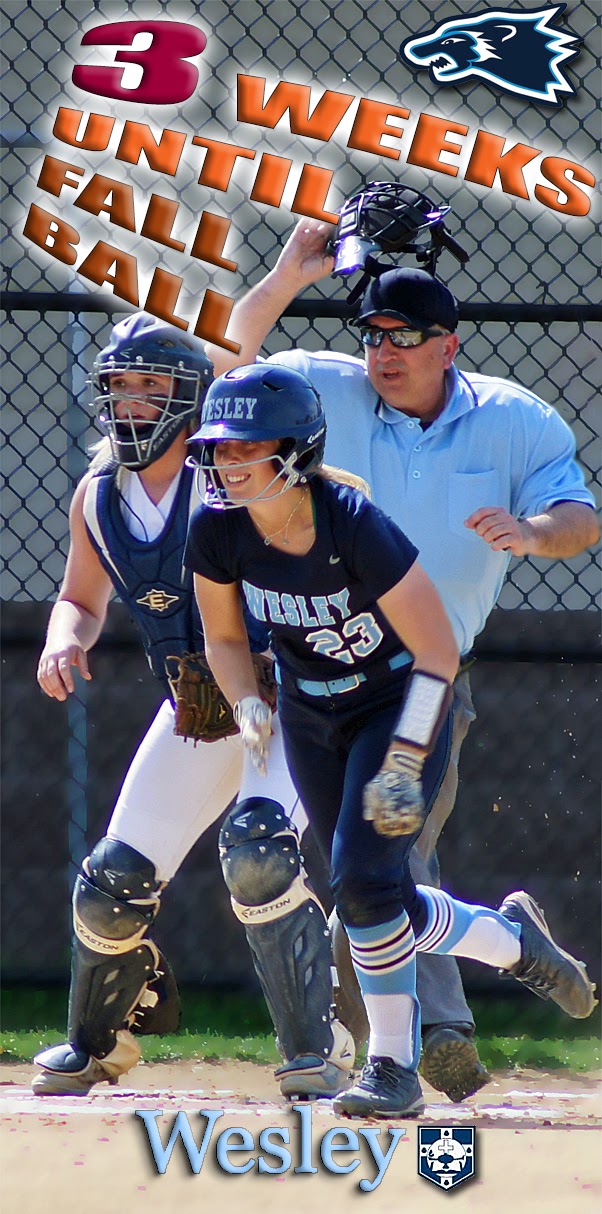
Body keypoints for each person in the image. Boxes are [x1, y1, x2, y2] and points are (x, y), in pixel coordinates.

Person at [205, 217, 599, 1102]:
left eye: (406, 338)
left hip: (422, 679)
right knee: (369, 877)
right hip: (311, 685)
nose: (383, 353)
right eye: (374, 336)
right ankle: (505, 946)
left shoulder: (511, 420)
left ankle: (417, 1045)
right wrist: (284, 278)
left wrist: (532, 532)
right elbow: (227, 384)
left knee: (375, 869)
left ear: (448, 346)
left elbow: (580, 516)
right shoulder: (323, 397)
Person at [32, 312, 354, 1100]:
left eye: (152, 386)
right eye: (120, 387)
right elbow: (80, 597)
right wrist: (63, 639)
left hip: (289, 701)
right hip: (200, 707)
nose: (132, 402)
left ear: (191, 398)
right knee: (110, 885)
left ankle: (319, 1044)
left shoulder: (231, 480)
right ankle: (101, 1039)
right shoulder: (98, 496)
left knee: (258, 853)